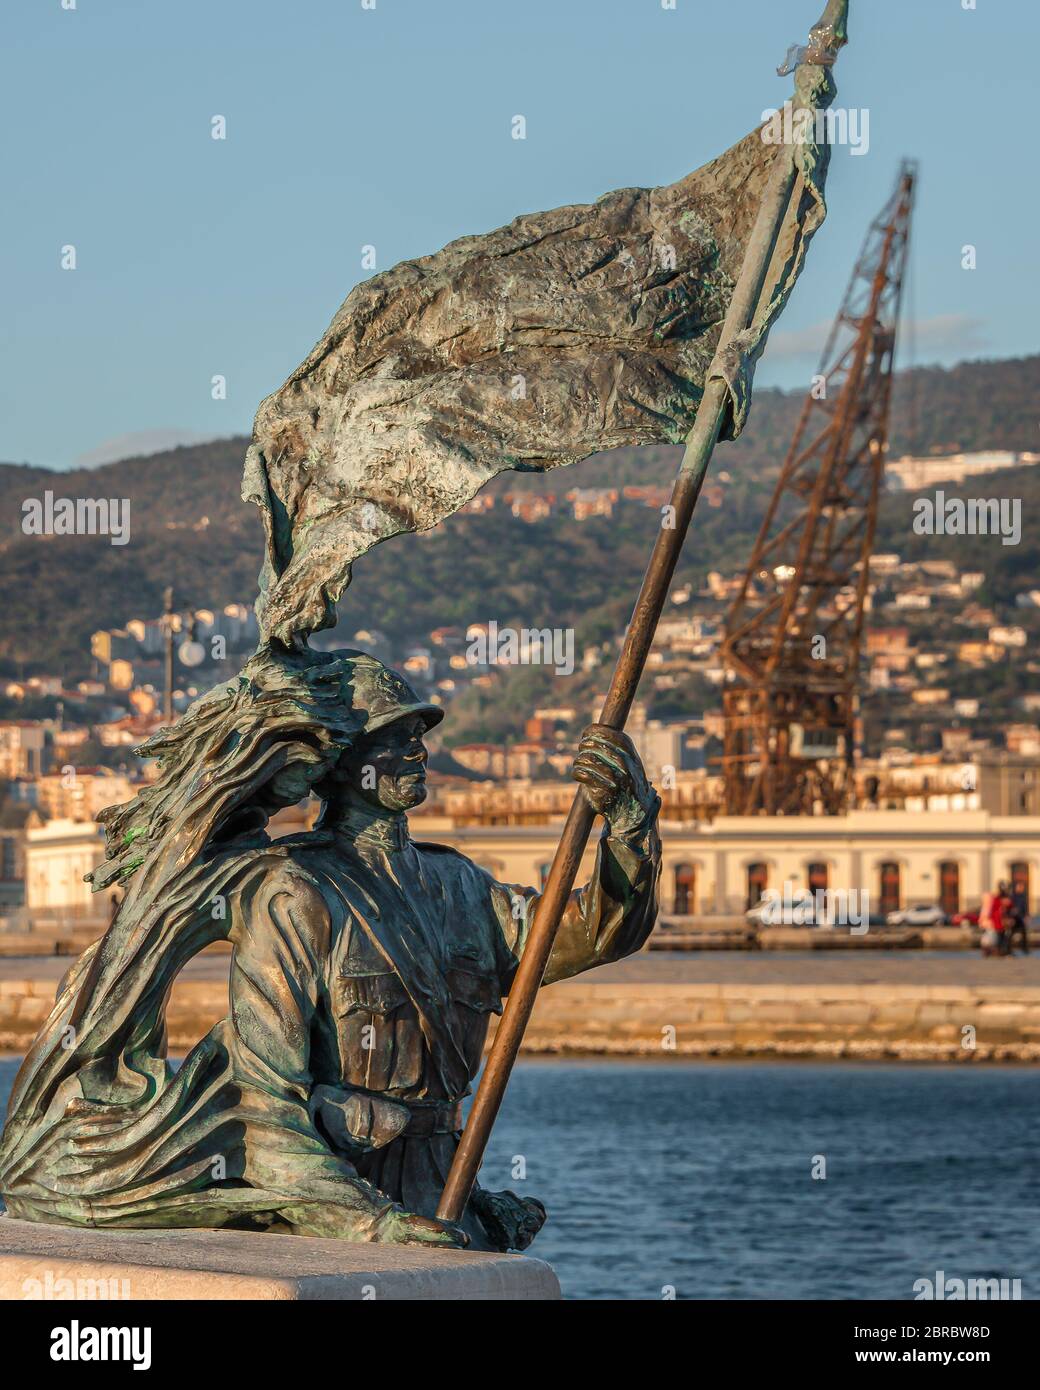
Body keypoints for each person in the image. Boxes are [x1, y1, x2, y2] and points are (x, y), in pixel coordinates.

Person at [0, 646, 661, 1252]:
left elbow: (593, 930)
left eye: (418, 736)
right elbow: (264, 1106)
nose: (418, 751)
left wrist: (630, 825)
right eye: (395, 739)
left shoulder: (458, 885)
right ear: (343, 762)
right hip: (343, 1206)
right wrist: (370, 1224)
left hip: (447, 1200)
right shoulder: (294, 891)